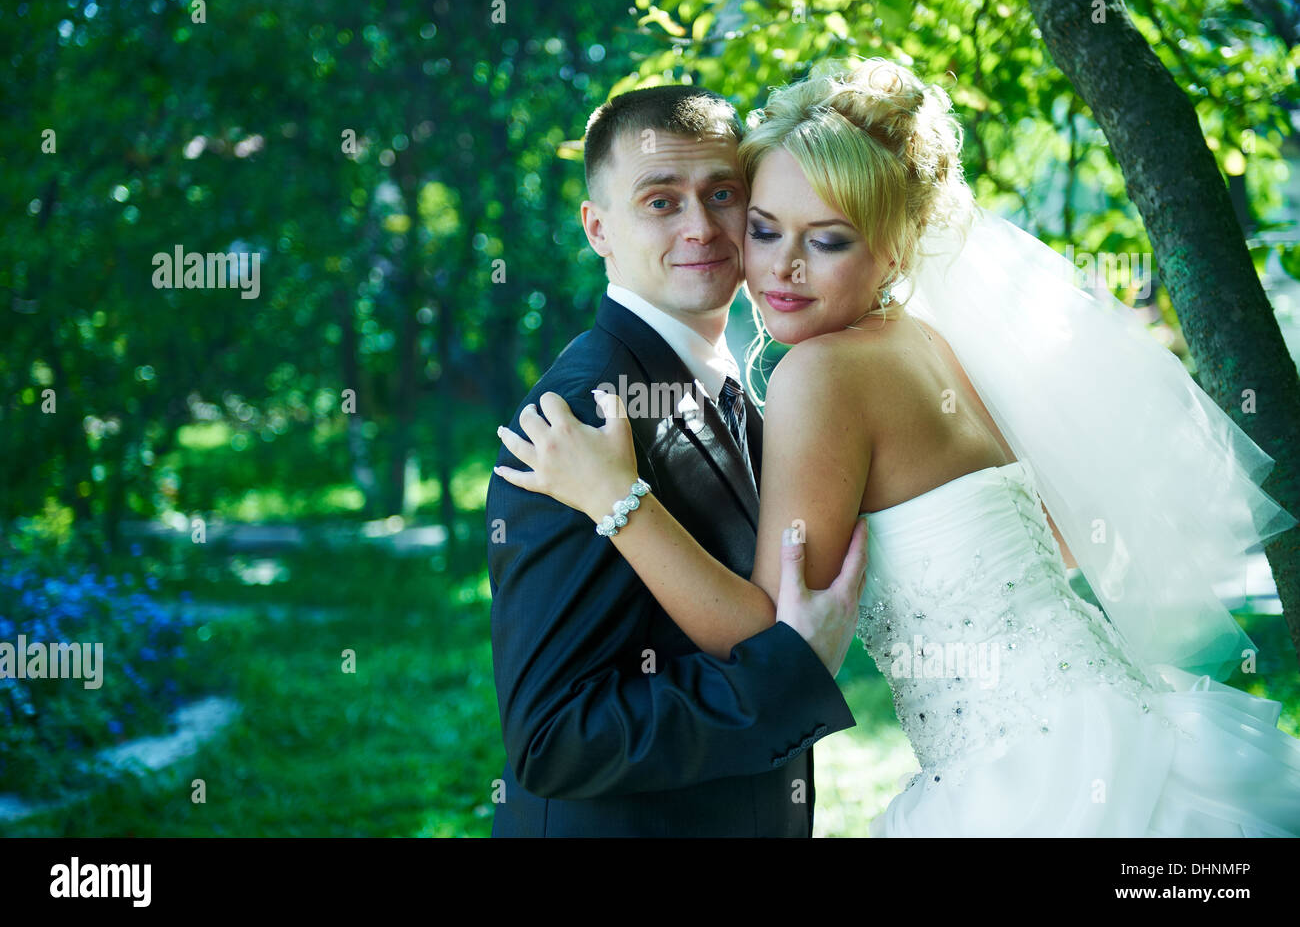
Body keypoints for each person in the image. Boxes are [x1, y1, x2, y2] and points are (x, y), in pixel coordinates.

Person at [496, 57, 1300, 836]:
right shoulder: (936, 347)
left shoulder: (820, 373)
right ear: (599, 227)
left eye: (830, 241)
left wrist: (617, 501)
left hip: (1024, 778)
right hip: (1116, 721)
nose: (782, 267)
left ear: (894, 248)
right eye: (768, 229)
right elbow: (1048, 538)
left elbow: (761, 627)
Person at [485, 85, 868, 838]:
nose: (701, 227)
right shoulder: (584, 416)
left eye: (721, 193)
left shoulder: (753, 384)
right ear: (599, 228)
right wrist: (785, 675)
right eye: (660, 201)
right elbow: (554, 738)